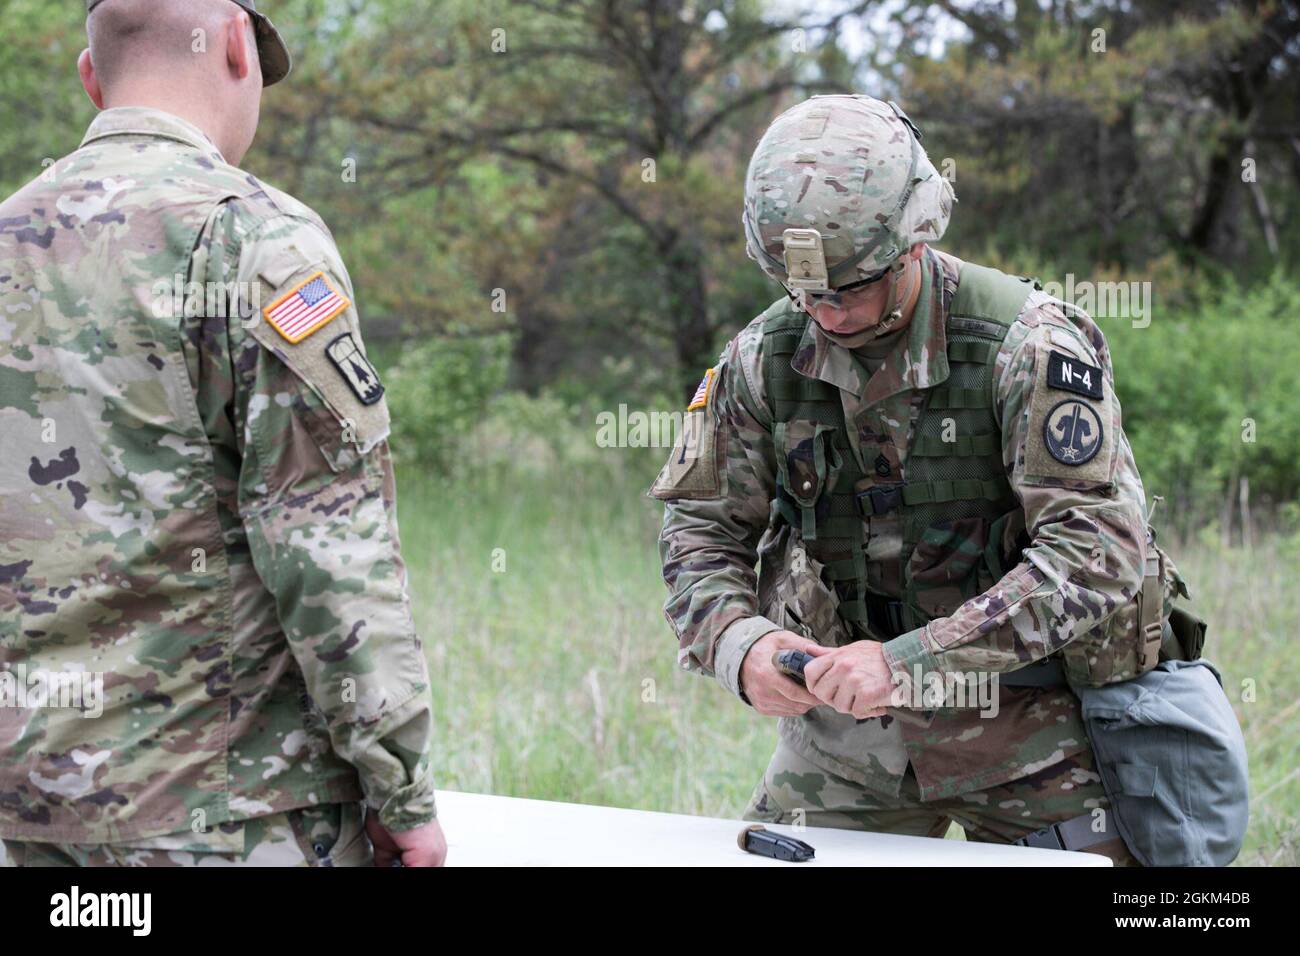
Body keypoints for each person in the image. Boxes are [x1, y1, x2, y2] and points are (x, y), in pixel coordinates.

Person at [652, 94, 1188, 864]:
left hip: (1033, 728)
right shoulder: (762, 359)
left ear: (914, 241)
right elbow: (699, 529)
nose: (827, 315)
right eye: (806, 292)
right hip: (851, 739)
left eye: (852, 288)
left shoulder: (1026, 347)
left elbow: (1098, 552)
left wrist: (910, 664)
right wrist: (740, 643)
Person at [0, 0, 445, 867]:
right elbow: (326, 543)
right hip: (226, 813)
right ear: (238, 43)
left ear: (92, 77)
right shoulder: (252, 236)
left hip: (26, 815)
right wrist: (402, 787)